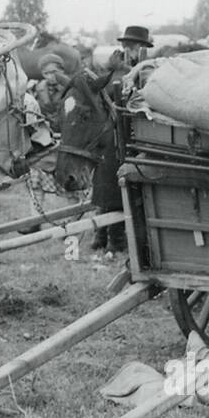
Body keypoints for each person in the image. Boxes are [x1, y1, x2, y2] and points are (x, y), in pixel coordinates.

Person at [85, 25, 154, 252]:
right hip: (114, 136)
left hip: (133, 134)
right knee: (108, 185)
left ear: (141, 47)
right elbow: (99, 94)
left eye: (132, 45)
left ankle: (113, 237)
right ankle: (104, 236)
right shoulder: (117, 71)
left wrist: (122, 69)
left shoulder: (145, 69)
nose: (128, 49)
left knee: (118, 187)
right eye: (126, 45)